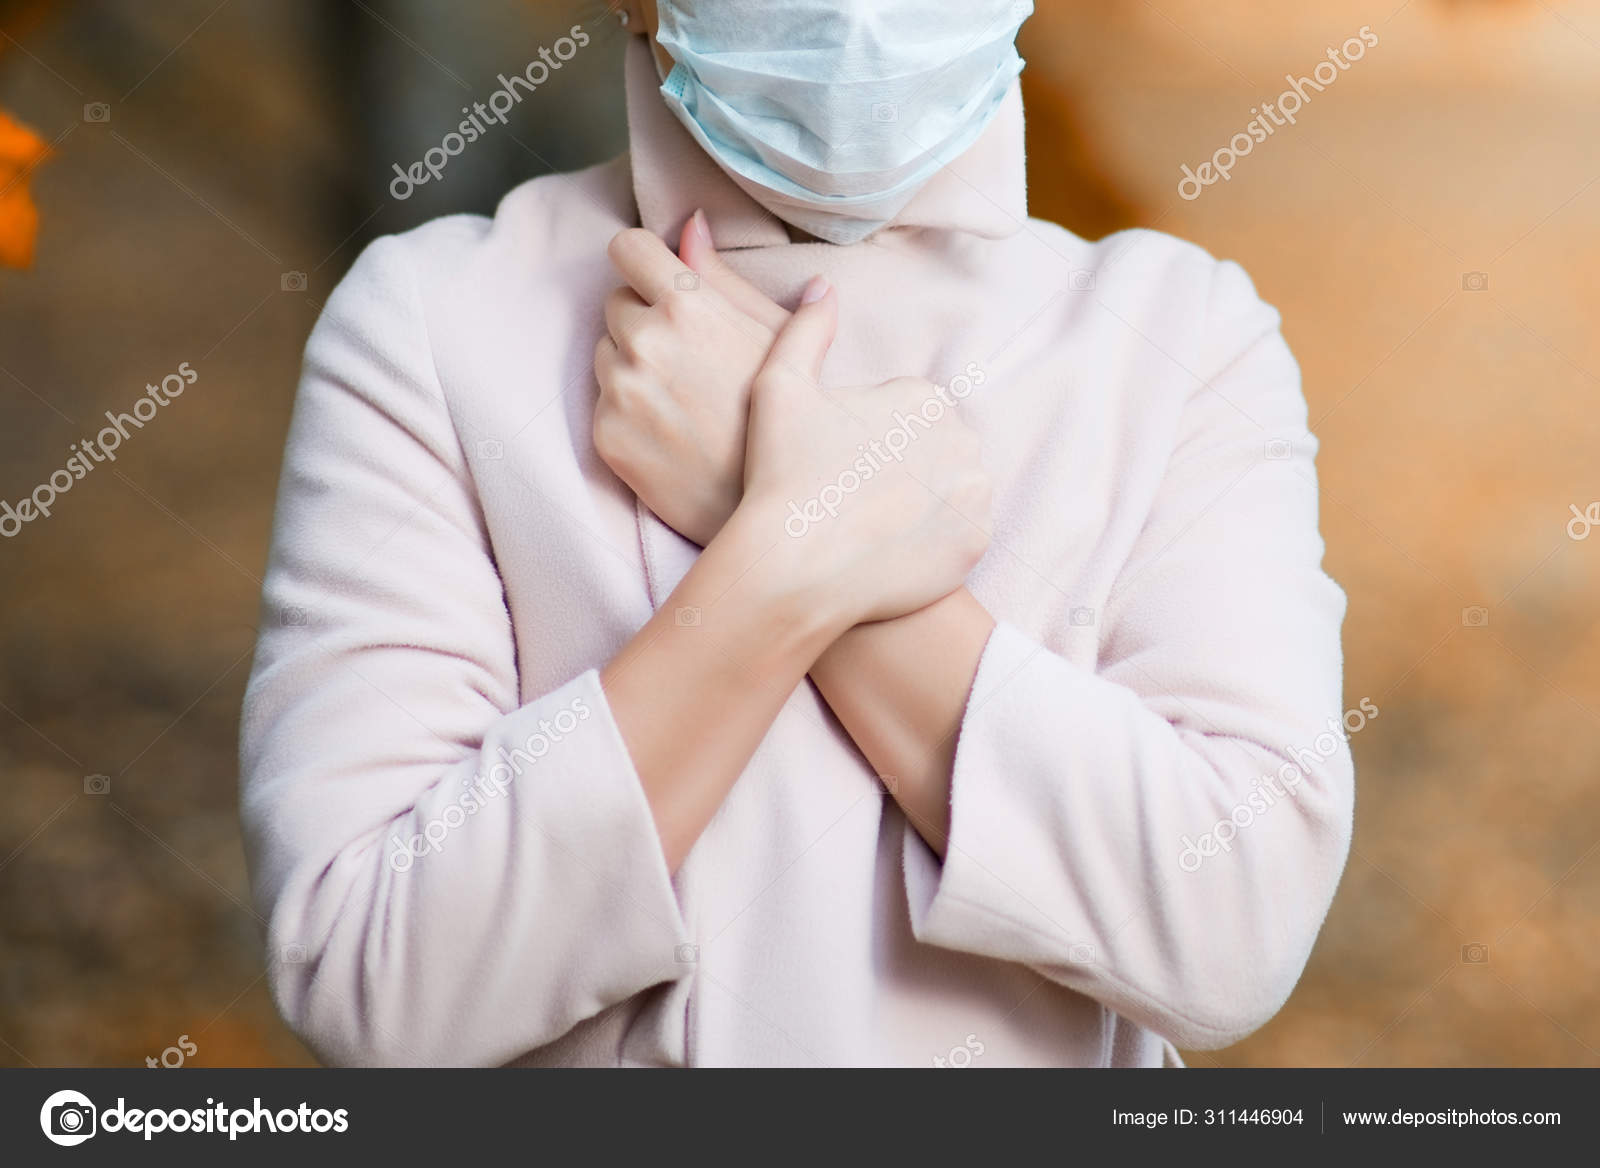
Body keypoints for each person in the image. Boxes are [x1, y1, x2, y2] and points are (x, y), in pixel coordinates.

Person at [239, 0, 1354, 1067]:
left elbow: (1230, 927)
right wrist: (798, 547)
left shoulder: (1177, 336)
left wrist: (768, 494)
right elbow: (372, 973)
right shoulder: (433, 324)